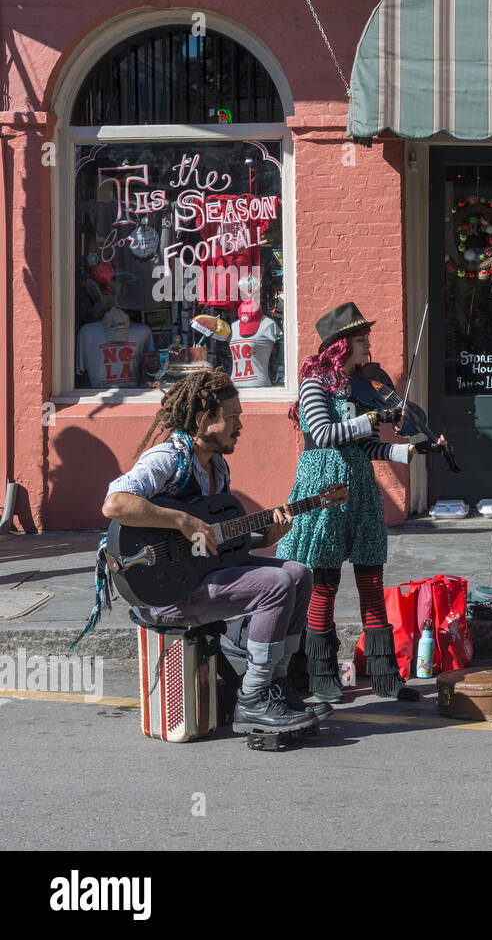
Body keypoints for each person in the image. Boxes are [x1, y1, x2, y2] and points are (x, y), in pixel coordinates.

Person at [101, 370, 325, 734]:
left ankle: (276, 686)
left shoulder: (217, 467)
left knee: (299, 573)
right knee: (276, 583)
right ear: (205, 420)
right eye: (233, 417)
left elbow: (210, 547)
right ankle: (252, 700)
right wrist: (180, 520)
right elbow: (115, 504)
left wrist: (266, 537)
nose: (240, 425)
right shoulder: (167, 459)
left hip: (199, 575)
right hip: (164, 591)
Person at [276, 302, 444, 703]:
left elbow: (365, 444)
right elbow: (324, 431)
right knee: (325, 582)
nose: (369, 350)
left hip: (361, 487)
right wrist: (372, 418)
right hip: (325, 486)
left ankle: (386, 675)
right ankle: (321, 675)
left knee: (371, 579)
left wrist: (411, 452)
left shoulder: (358, 386)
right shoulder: (314, 382)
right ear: (342, 345)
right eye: (363, 342)